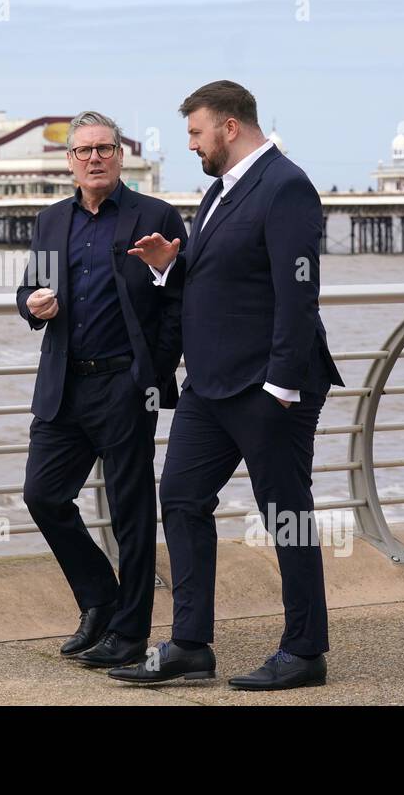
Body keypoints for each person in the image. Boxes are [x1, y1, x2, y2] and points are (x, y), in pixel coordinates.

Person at [114, 80, 345, 689]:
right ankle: (191, 643)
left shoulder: (285, 185)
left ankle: (304, 652)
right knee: (182, 499)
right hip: (210, 387)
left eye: (196, 132)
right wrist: (173, 263)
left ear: (231, 127)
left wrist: (283, 387)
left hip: (268, 386)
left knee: (285, 514)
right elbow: (227, 274)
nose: (191, 144)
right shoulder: (221, 189)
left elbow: (298, 295)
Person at [16, 110, 187, 668]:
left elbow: (178, 300)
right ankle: (99, 599)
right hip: (64, 383)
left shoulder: (155, 215)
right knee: (42, 495)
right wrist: (33, 306)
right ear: (69, 161)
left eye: (105, 149)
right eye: (84, 150)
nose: (95, 158)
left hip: (124, 384)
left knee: (130, 510)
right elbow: (31, 290)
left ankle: (131, 632)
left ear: (121, 156)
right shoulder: (49, 222)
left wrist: (152, 372)